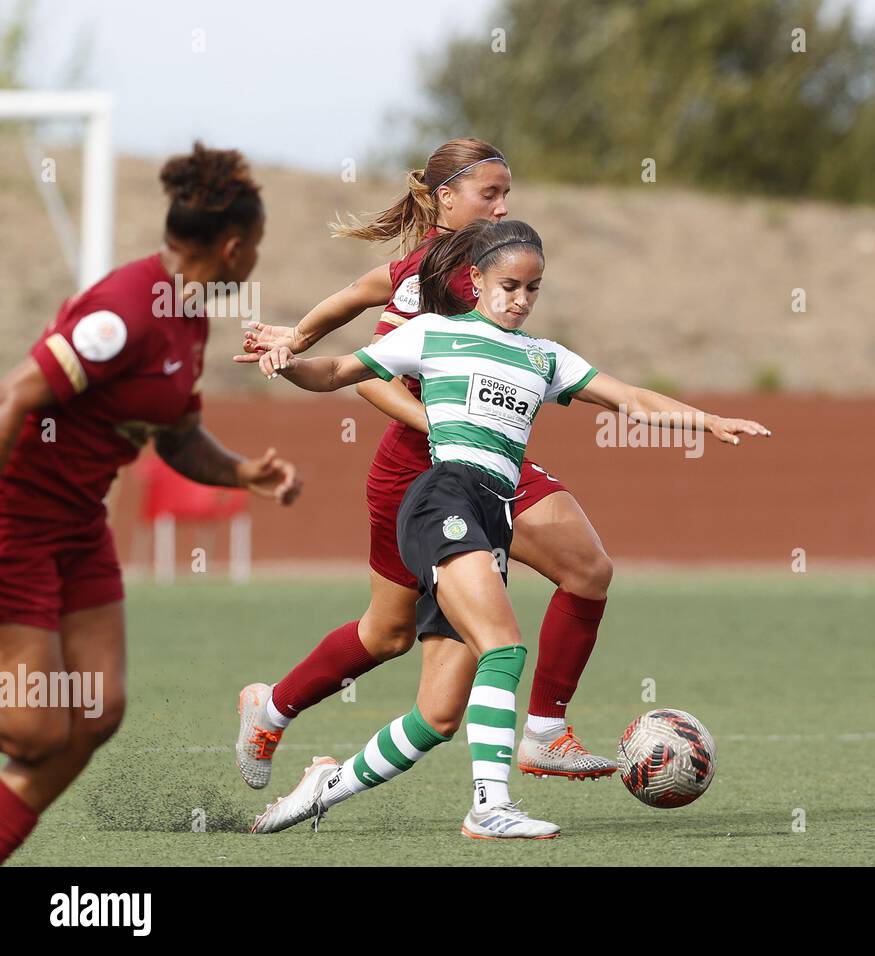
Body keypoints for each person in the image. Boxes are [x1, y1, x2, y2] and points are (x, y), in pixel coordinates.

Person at [238, 218, 770, 838]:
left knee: (437, 718)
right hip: (443, 499)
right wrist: (287, 358)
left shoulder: (545, 357)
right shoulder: (434, 334)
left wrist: (709, 421)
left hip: (493, 514)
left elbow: (631, 399)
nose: (520, 299)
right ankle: (491, 805)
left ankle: (326, 787)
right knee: (505, 647)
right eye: (509, 285)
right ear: (476, 280)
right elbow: (336, 373)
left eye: (533, 289)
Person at [235, 139, 618, 791]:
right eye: (489, 194)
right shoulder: (429, 275)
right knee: (388, 636)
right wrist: (444, 424)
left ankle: (547, 732)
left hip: (480, 463)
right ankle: (269, 710)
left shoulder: (465, 259)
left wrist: (297, 334)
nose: (502, 207)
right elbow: (369, 381)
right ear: (446, 198)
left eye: (506, 195)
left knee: (587, 569)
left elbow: (357, 290)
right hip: (419, 472)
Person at [0, 143, 301, 864]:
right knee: (36, 731)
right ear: (232, 249)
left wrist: (241, 474)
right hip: (17, 526)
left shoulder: (187, 316)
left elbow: (176, 434)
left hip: (79, 531)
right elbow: (17, 395)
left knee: (97, 712)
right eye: (255, 247)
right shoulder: (124, 310)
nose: (256, 260)